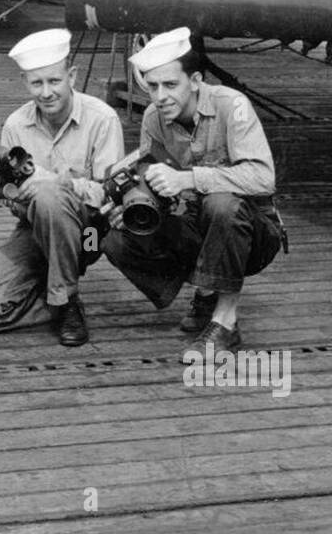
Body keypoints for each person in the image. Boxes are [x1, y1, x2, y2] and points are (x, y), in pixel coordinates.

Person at [103, 27, 284, 352]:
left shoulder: (233, 105)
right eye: (153, 86)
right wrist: (131, 204)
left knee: (221, 204)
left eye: (171, 85)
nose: (160, 97)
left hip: (254, 233)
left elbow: (262, 178)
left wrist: (188, 179)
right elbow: (148, 173)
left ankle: (226, 320)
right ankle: (206, 292)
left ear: (197, 80)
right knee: (118, 237)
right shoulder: (153, 118)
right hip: (196, 221)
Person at [0, 29, 125, 347]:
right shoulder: (15, 125)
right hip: (37, 228)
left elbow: (110, 192)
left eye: (54, 81)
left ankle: (67, 300)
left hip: (91, 237)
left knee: (50, 195)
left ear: (72, 76)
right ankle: (55, 299)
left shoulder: (102, 119)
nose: (47, 92)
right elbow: (12, 198)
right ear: (25, 82)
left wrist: (51, 184)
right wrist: (13, 194)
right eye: (37, 83)